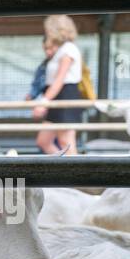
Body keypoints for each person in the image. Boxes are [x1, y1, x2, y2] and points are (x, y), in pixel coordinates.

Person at [33, 14, 84, 155]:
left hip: (66, 95)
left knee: (66, 142)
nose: (47, 32)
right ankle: (63, 168)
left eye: (48, 29)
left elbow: (59, 79)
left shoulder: (69, 49)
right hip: (56, 95)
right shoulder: (60, 50)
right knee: (43, 141)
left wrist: (44, 101)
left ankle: (75, 174)